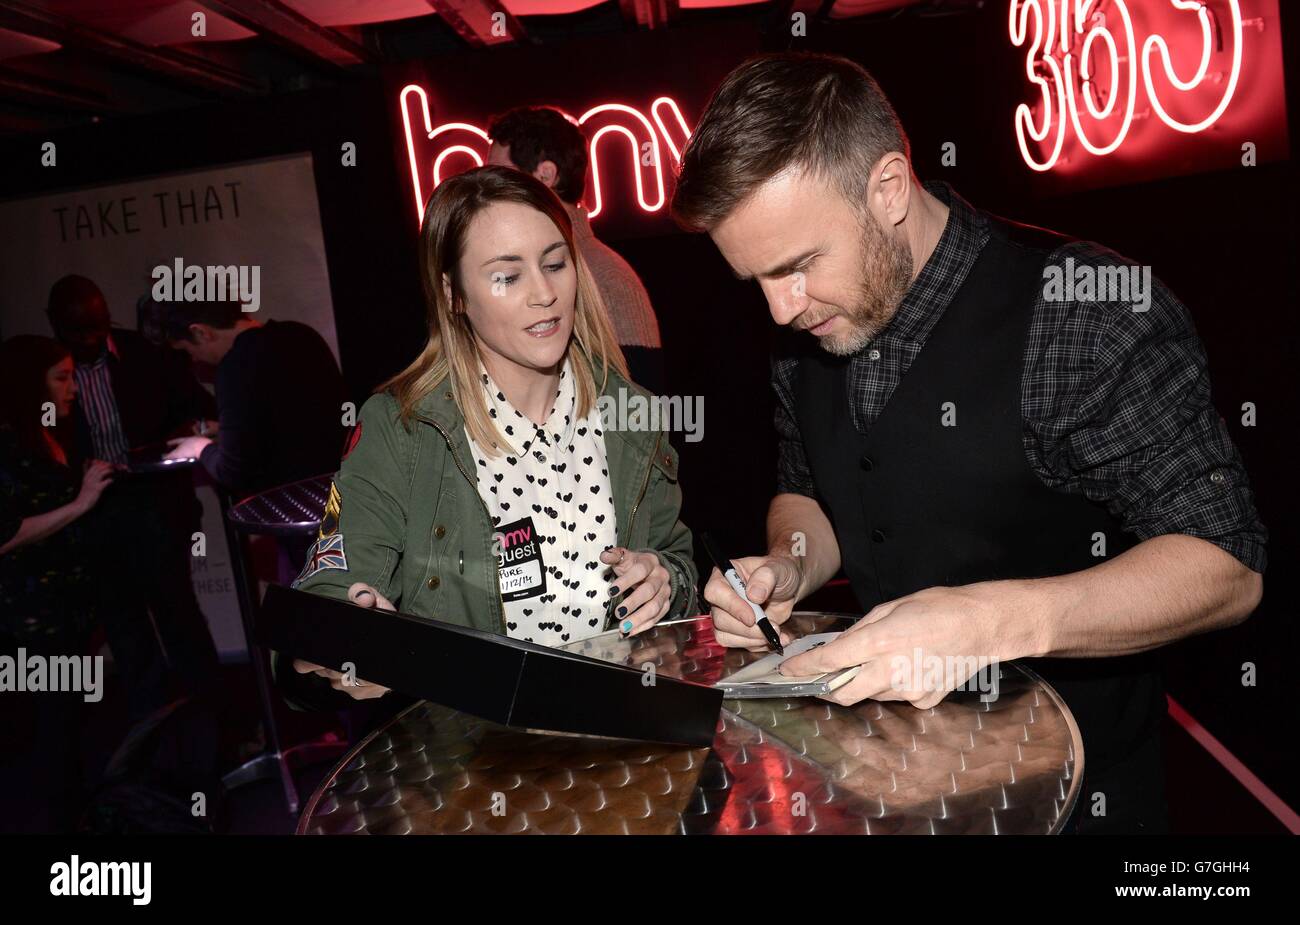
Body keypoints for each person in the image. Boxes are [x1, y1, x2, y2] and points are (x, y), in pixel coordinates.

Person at [673, 53, 1266, 835]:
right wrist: (788, 562)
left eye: (797, 267)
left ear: (887, 188)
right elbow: (807, 488)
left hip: (1078, 798)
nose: (780, 310)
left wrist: (988, 620)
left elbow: (1226, 564)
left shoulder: (1081, 313)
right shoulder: (805, 332)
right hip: (893, 786)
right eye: (756, 282)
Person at [284, 165, 697, 707]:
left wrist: (664, 579)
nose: (545, 293)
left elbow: (681, 565)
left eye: (555, 264)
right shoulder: (404, 426)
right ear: (454, 295)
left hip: (621, 731)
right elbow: (329, 586)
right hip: (477, 756)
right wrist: (349, 638)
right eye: (507, 276)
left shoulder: (631, 412)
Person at [47, 274, 219, 713]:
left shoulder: (147, 355)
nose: (90, 340)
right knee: (126, 634)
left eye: (98, 328)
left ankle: (216, 729)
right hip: (92, 519)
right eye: (77, 331)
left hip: (156, 507)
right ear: (55, 326)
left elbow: (200, 412)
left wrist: (174, 443)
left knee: (180, 620)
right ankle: (152, 746)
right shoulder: (50, 371)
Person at [0, 335, 114, 832]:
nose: (73, 389)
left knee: (76, 723)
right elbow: (5, 536)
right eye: (61, 378)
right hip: (34, 616)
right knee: (52, 732)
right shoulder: (4, 443)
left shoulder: (52, 431)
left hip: (71, 606)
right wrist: (81, 501)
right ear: (30, 384)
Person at [488, 106, 667, 393]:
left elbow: (640, 415)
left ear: (546, 175)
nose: (490, 187)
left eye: (503, 174)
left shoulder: (606, 279)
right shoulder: (515, 268)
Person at [162, 303, 347, 503]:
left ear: (200, 332)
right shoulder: (301, 333)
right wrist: (229, 430)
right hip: (343, 491)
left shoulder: (235, 366)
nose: (195, 359)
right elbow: (296, 420)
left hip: (296, 504)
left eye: (189, 351)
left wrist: (200, 447)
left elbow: (233, 474)